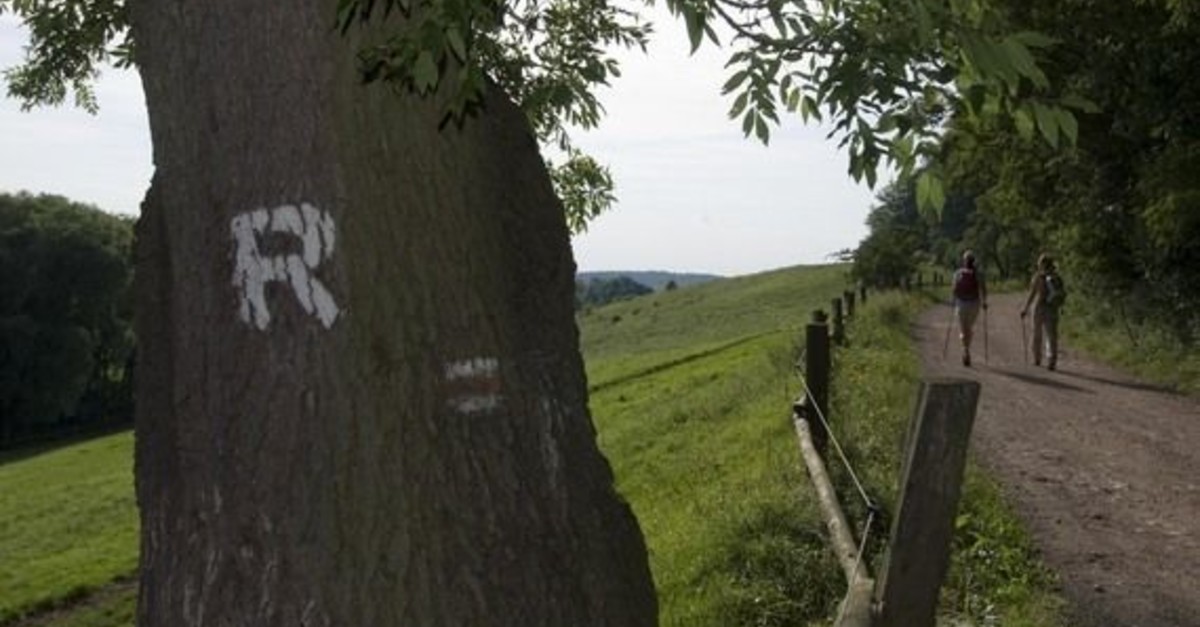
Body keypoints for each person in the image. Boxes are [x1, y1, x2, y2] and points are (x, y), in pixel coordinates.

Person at [1021, 253, 1066, 370]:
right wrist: (1061, 307)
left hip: (1039, 307)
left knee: (1037, 333)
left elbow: (1032, 294)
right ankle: (1052, 360)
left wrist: (1025, 308)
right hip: (1052, 308)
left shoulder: (1038, 277)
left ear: (1042, 264)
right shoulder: (1057, 277)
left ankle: (1037, 358)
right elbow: (1061, 294)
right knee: (1052, 335)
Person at [952, 250, 988, 367]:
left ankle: (965, 350)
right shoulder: (979, 274)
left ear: (964, 260)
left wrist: (954, 301)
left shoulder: (958, 273)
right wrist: (984, 302)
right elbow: (983, 289)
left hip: (961, 303)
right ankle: (967, 348)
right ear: (974, 261)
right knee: (969, 328)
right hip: (974, 303)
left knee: (963, 329)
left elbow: (954, 289)